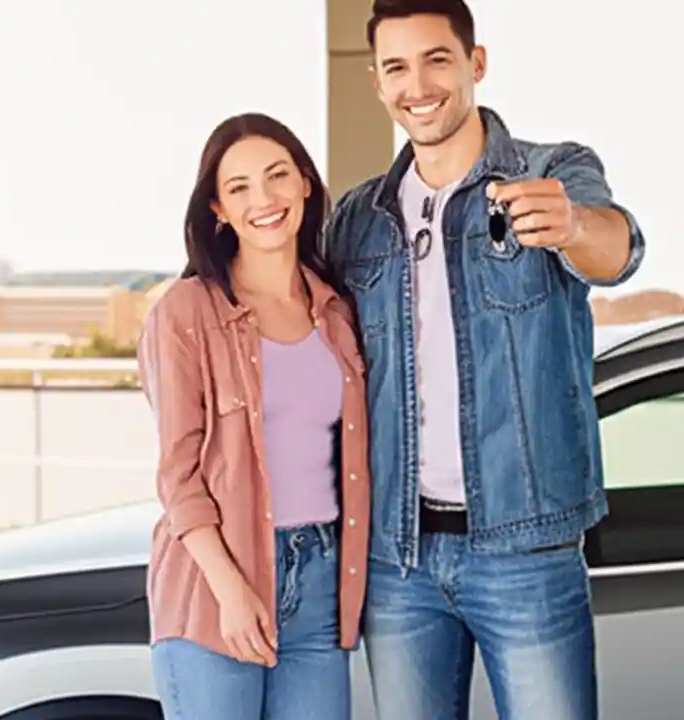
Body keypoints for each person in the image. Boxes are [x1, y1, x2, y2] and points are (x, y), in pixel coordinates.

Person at [321, 1, 646, 718]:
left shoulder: (551, 170)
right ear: (376, 81)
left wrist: (572, 225)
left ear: (475, 63)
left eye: (437, 59)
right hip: (395, 558)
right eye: (397, 67)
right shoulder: (355, 219)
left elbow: (617, 250)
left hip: (526, 549)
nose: (419, 85)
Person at [137, 112, 371, 720]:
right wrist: (231, 592)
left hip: (318, 585)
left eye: (276, 177)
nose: (263, 199)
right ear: (217, 208)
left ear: (305, 186)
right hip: (216, 586)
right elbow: (178, 476)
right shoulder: (184, 313)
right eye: (239, 187)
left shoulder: (337, 312)